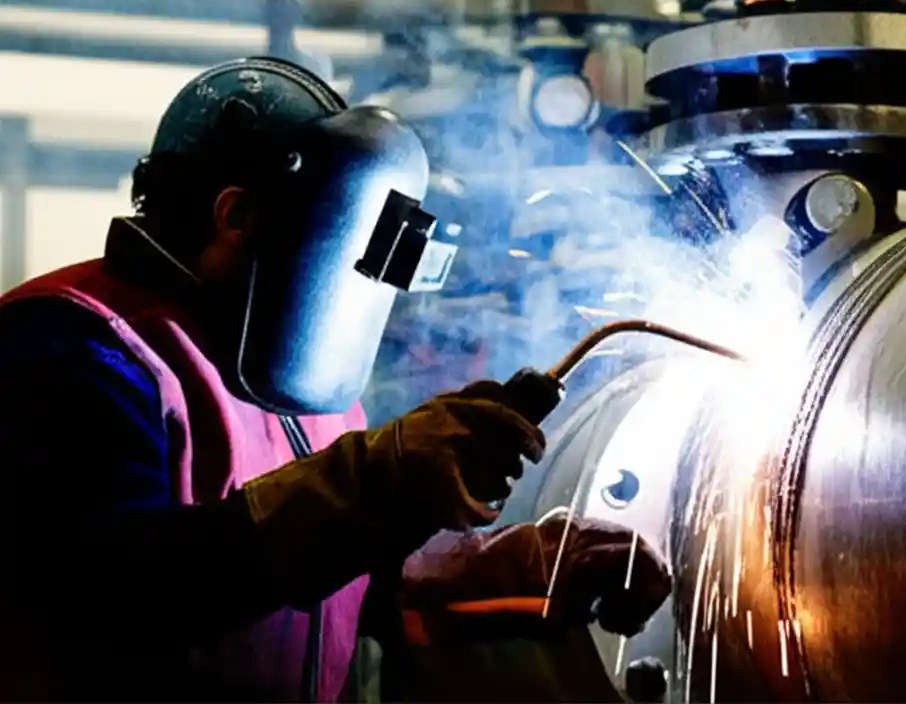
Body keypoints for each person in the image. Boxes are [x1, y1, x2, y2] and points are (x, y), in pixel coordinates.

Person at [0, 57, 670, 702]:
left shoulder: (293, 374)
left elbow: (336, 587)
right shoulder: (70, 345)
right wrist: (373, 480)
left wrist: (518, 567)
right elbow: (120, 592)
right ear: (236, 217)